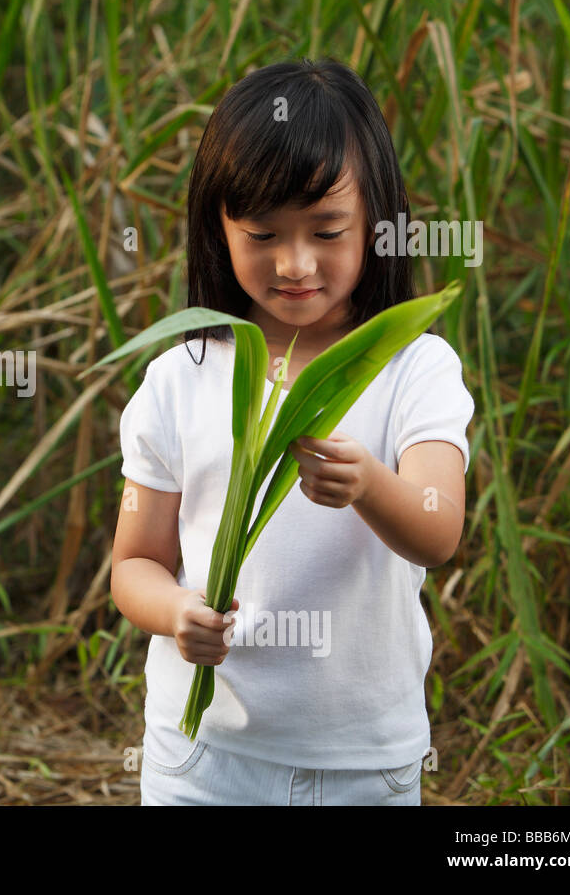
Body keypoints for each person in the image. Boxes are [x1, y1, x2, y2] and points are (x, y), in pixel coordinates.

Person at [112, 57, 475, 805]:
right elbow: (134, 564)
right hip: (202, 759)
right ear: (217, 227)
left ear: (378, 218)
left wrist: (369, 484)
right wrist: (178, 614)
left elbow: (438, 534)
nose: (297, 263)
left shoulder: (415, 367)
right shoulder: (182, 376)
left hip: (362, 763)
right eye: (264, 234)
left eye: (328, 230)